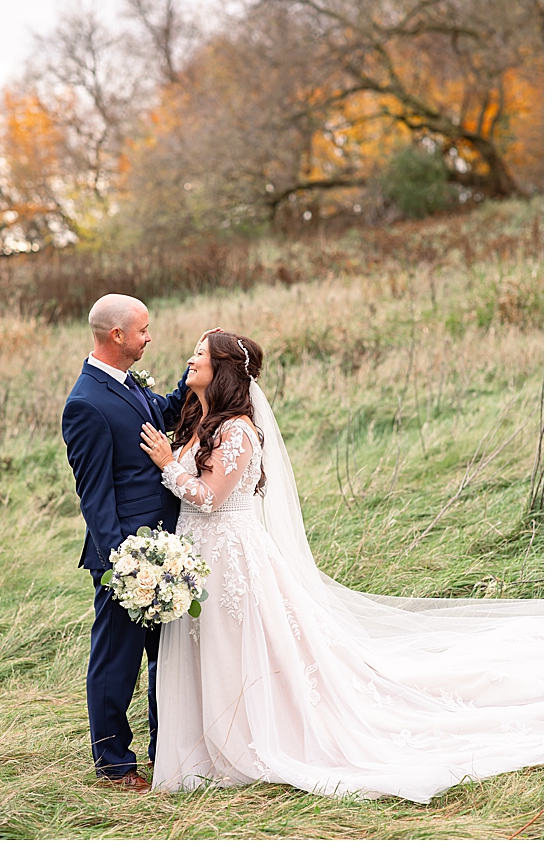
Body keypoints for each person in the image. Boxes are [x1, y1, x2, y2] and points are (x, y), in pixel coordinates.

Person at [137, 330, 542, 802]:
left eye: (200, 354)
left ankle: (247, 738)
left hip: (229, 556)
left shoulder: (237, 430)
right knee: (208, 645)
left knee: (236, 645)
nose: (190, 358)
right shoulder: (199, 421)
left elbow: (209, 498)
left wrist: (168, 463)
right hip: (199, 554)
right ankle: (203, 743)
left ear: (222, 368)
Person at [61, 294, 196, 791]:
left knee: (167, 658)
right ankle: (114, 766)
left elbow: (162, 412)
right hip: (128, 559)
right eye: (143, 329)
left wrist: (195, 373)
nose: (148, 336)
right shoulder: (85, 403)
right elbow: (94, 497)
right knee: (116, 662)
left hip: (163, 550)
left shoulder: (124, 383)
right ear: (116, 335)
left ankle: (167, 753)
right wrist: (125, 563)